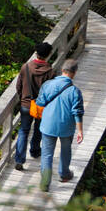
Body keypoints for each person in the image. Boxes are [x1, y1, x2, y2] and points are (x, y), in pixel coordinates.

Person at [35, 60, 85, 192]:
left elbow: (40, 102)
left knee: (47, 154)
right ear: (74, 73)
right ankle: (64, 174)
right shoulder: (75, 91)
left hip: (48, 124)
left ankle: (45, 183)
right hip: (66, 126)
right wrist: (80, 130)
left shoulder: (48, 85)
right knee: (65, 150)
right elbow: (78, 112)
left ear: (62, 70)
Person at [14, 41, 54, 171]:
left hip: (26, 104)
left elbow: (18, 86)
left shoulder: (25, 67)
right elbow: (52, 91)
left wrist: (23, 99)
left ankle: (19, 159)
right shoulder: (50, 72)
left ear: (36, 53)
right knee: (39, 129)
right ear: (48, 55)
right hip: (42, 106)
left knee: (24, 130)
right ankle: (35, 150)